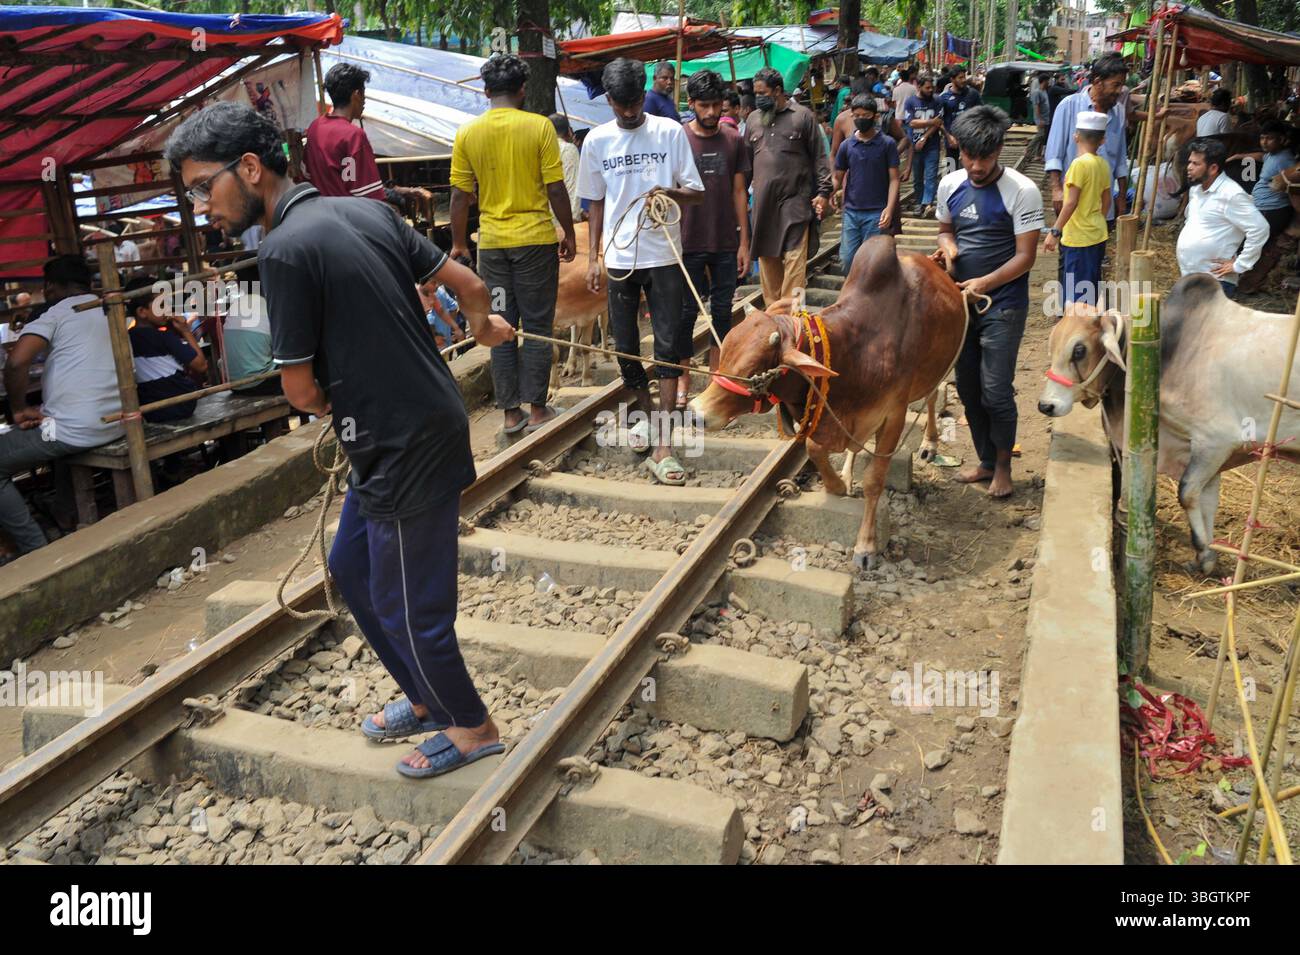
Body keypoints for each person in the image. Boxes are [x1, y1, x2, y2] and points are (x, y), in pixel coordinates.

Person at [166, 100, 515, 778]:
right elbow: (471, 285)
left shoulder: (284, 249)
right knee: (354, 570)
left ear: (249, 168)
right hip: (403, 428)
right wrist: (485, 326)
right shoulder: (365, 209)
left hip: (403, 440)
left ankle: (472, 727)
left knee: (408, 601)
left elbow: (299, 393)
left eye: (205, 187)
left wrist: (352, 398)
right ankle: (424, 696)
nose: (202, 205)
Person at [577, 58, 704, 486]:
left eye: (635, 103)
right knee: (626, 345)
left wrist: (669, 192)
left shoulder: (670, 132)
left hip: (664, 254)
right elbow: (594, 201)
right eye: (621, 104)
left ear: (642, 95)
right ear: (609, 100)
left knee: (667, 345)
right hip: (618, 257)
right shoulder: (595, 141)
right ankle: (643, 414)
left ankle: (665, 446)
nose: (629, 111)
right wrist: (594, 255)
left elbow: (696, 193)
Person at [449, 54, 576, 436]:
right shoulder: (539, 128)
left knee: (498, 322)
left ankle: (509, 413)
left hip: (492, 247)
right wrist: (568, 232)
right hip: (536, 244)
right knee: (537, 323)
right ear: (522, 90)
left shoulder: (467, 134)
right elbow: (555, 188)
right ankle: (538, 409)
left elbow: (459, 195)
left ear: (485, 91)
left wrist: (458, 243)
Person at [932, 106, 1043, 499]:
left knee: (996, 389)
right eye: (968, 155)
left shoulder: (1023, 190)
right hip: (960, 305)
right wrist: (948, 250)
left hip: (1004, 304)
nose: (976, 165)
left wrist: (984, 282)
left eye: (985, 157)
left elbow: (1025, 257)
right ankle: (983, 461)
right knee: (967, 385)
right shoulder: (950, 185)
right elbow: (945, 230)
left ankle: (1004, 466)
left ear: (999, 149)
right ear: (958, 148)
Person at [1, 256, 124, 555]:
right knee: (51, 427)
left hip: (75, 429)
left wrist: (18, 409)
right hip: (117, 422)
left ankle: (36, 548)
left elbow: (16, 361)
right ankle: (64, 510)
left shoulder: (58, 312)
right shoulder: (109, 308)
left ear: (51, 287)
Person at [678, 70, 751, 397]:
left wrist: (743, 242)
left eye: (716, 105)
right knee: (684, 311)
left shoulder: (733, 140)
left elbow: (739, 192)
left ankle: (715, 376)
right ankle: (682, 375)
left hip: (724, 239)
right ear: (691, 103)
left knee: (722, 310)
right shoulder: (678, 138)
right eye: (703, 105)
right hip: (687, 240)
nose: (710, 113)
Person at [747, 66, 832, 306]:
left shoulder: (802, 116)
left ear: (777, 91)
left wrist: (824, 193)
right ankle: (775, 317)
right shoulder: (753, 120)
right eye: (756, 93)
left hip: (795, 203)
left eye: (762, 93)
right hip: (764, 206)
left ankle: (793, 318)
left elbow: (819, 157)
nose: (758, 97)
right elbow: (745, 163)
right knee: (767, 264)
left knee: (795, 263)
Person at [303, 63, 427, 207]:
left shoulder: (315, 127)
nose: (364, 101)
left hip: (320, 212)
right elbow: (371, 197)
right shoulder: (354, 136)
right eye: (364, 93)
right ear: (356, 95)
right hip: (350, 219)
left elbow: (307, 175)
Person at [1176, 138, 1269, 300]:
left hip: (1215, 281)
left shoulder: (1231, 194)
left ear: (1213, 168)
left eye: (1196, 164)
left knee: (1208, 325)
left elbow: (1260, 228)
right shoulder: (1196, 190)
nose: (1189, 167)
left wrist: (1240, 264)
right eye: (1190, 162)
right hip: (1190, 275)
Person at [1045, 53, 1129, 223]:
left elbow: (1120, 159)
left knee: (1098, 247)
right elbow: (1054, 154)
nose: (1119, 91)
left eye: (1121, 85)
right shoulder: (1069, 106)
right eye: (1116, 85)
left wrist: (1121, 196)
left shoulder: (1118, 111)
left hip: (1103, 207)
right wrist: (1057, 190)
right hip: (1072, 205)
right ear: (1098, 82)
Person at [1043, 111, 1111, 306]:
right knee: (1090, 289)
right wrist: (1096, 220)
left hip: (1079, 239)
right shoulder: (1103, 164)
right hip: (1097, 234)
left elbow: (1070, 202)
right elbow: (1107, 201)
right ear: (1103, 140)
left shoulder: (1078, 165)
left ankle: (1078, 331)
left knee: (1076, 297)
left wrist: (1055, 231)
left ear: (1076, 136)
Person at [123, 274, 207, 422]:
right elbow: (201, 366)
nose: (167, 309)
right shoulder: (163, 337)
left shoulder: (127, 338)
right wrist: (185, 331)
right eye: (161, 305)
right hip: (181, 405)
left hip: (151, 411)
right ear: (142, 312)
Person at [833, 95, 900, 275]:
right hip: (852, 211)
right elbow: (837, 176)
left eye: (865, 115)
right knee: (848, 259)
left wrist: (889, 208)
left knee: (872, 261)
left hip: (876, 212)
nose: (860, 119)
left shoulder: (887, 143)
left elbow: (894, 178)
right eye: (856, 115)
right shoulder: (847, 146)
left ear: (874, 116)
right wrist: (827, 193)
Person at [1234, 121, 1298, 293]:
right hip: (1262, 206)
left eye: (1269, 138)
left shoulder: (1286, 161)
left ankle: (1249, 281)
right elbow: (1260, 156)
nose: (1264, 142)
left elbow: (1292, 188)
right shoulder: (1271, 155)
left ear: (1283, 140)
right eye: (1262, 138)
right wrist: (1238, 156)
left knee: (1255, 242)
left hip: (1273, 210)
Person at [222, 262, 281, 396]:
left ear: (238, 283)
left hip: (234, 385)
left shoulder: (235, 306)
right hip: (261, 383)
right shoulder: (271, 306)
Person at [903, 72, 944, 217]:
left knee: (931, 175)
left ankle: (927, 203)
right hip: (914, 146)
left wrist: (925, 137)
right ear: (919, 87)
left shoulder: (937, 101)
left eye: (932, 87)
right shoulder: (910, 102)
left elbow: (938, 122)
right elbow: (911, 122)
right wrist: (930, 122)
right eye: (927, 88)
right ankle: (919, 202)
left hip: (931, 143)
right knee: (918, 176)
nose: (931, 90)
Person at [939, 66, 982, 162]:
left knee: (971, 170)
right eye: (960, 78)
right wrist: (948, 137)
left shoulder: (973, 94)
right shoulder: (943, 97)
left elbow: (981, 115)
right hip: (951, 142)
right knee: (951, 170)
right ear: (952, 79)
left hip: (970, 141)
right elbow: (939, 120)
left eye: (964, 77)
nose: (963, 80)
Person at [549, 113, 584, 224]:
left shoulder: (538, 148)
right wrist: (574, 217)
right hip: (561, 220)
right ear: (569, 131)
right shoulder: (568, 149)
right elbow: (572, 184)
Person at [1028, 73, 1052, 161]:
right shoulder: (1036, 92)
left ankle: (1037, 155)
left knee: (1042, 137)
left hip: (1046, 117)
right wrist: (1040, 119)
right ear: (1044, 81)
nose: (1049, 83)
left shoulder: (1044, 91)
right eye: (1047, 81)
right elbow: (1036, 107)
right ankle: (1028, 149)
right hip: (1040, 118)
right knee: (1040, 134)